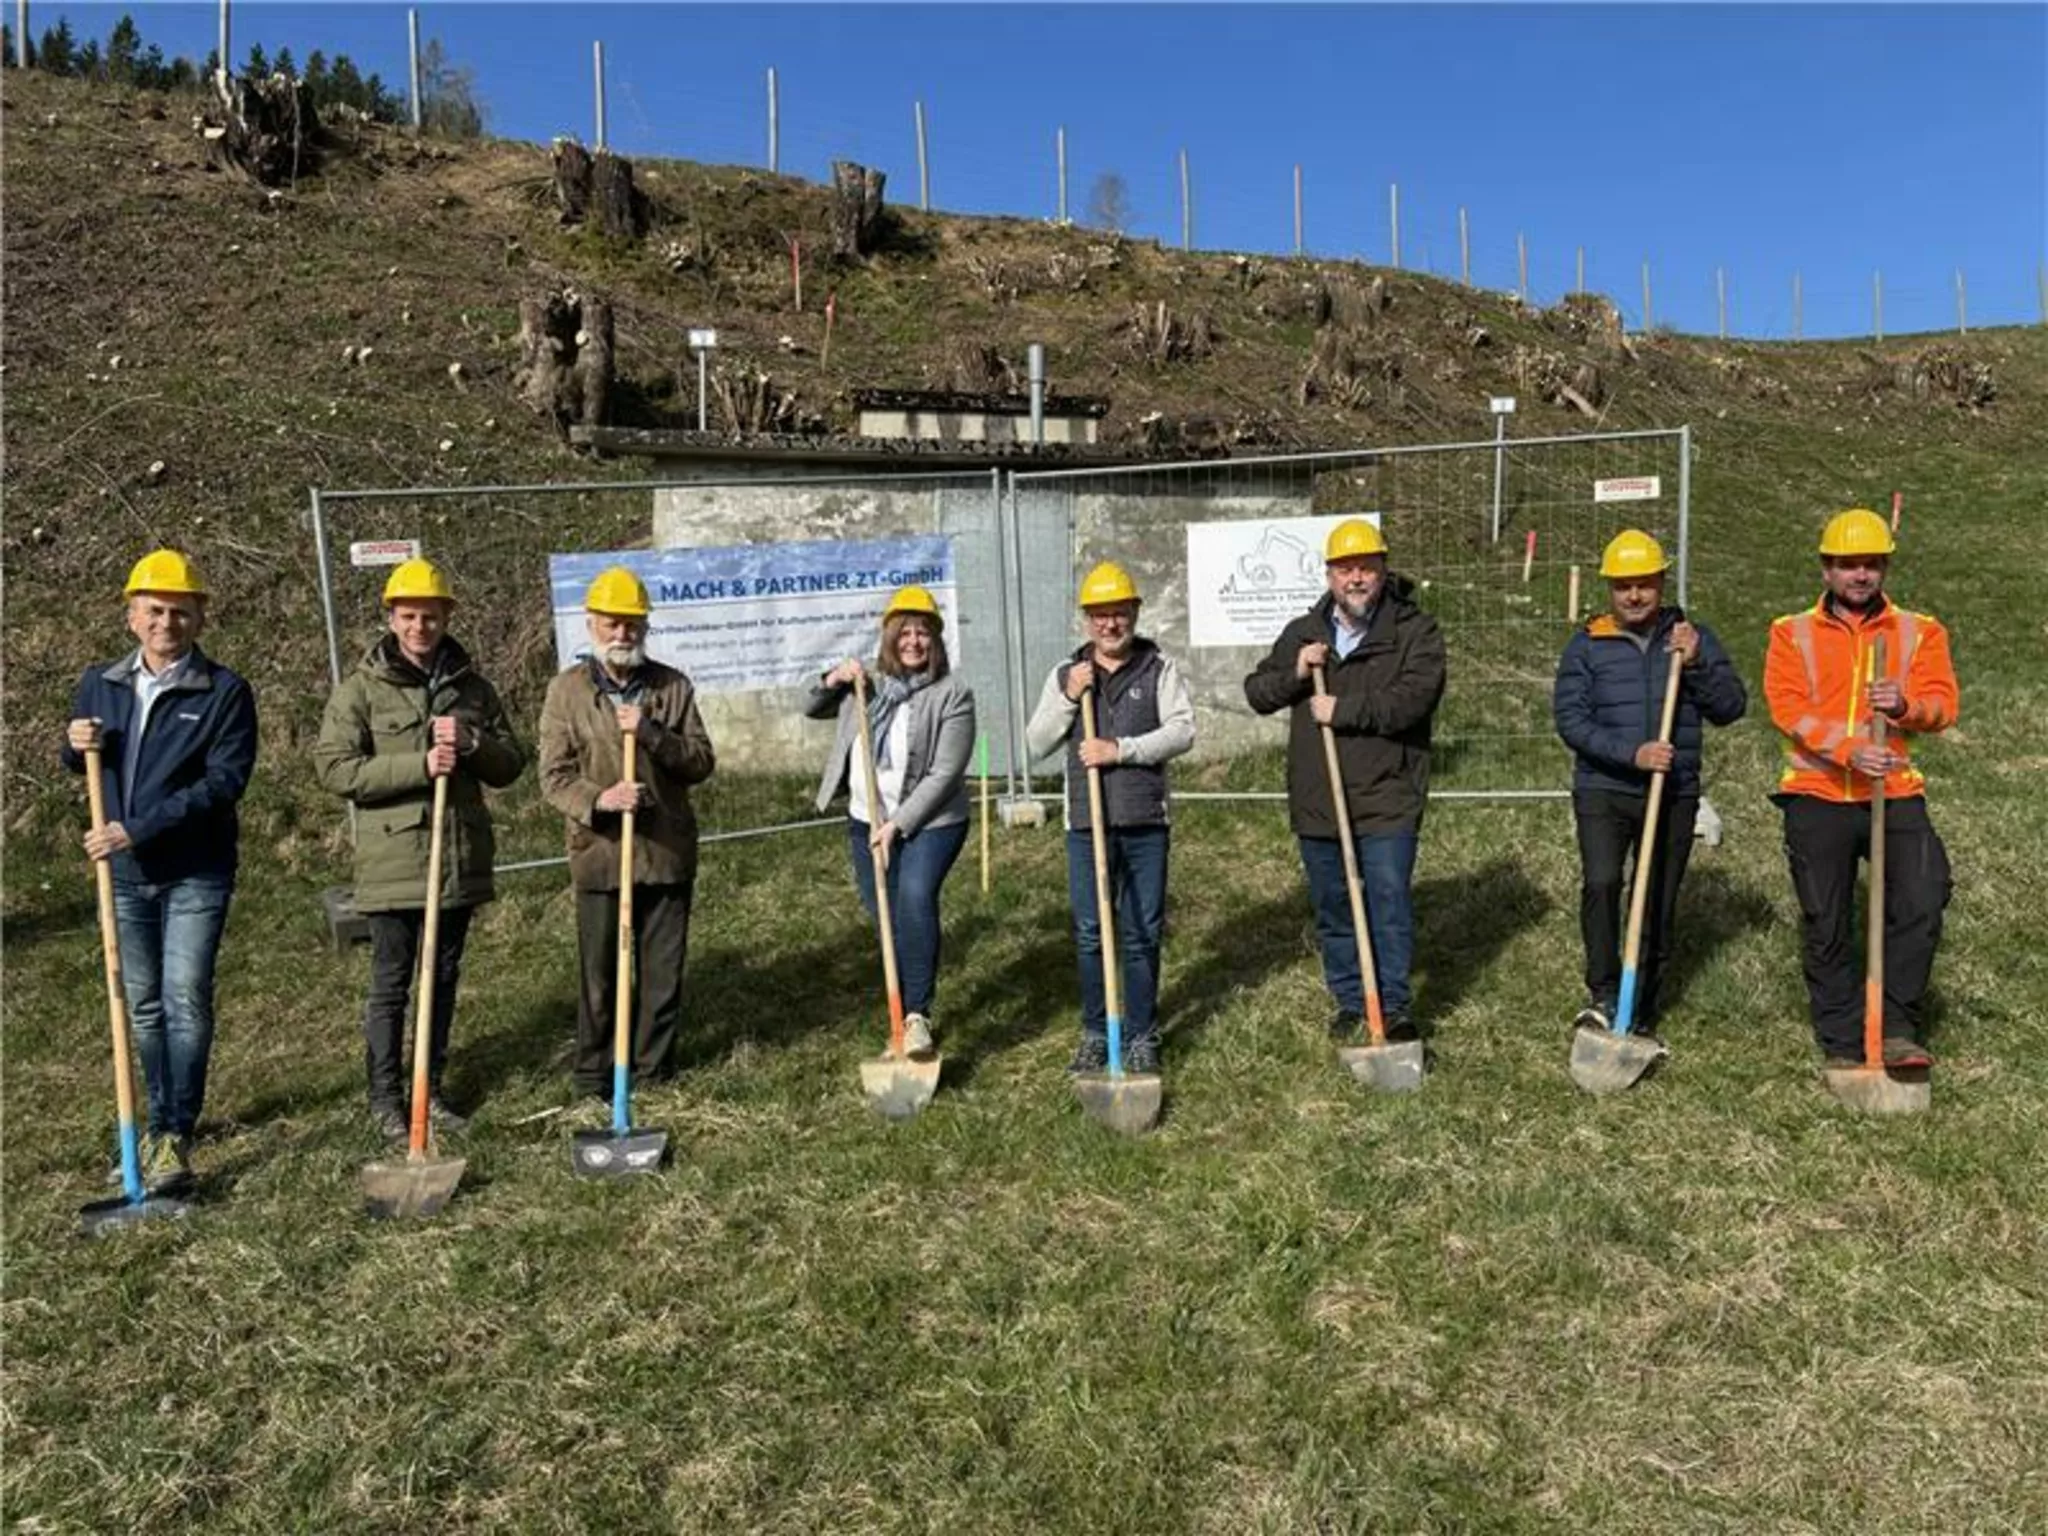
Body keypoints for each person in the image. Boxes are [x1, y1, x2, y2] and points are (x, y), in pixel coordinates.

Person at [61, 549, 258, 1190]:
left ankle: (173, 1128)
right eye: (153, 609)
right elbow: (89, 762)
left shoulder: (224, 692)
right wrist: (74, 745)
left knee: (184, 999)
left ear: (199, 618)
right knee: (142, 1006)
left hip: (195, 870)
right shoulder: (102, 683)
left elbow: (223, 784)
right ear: (131, 616)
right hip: (123, 872)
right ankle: (150, 1123)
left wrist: (136, 827)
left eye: (179, 611)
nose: (165, 622)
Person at [313, 557, 526, 1142]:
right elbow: (335, 769)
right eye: (408, 616)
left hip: (456, 860)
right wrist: (419, 765)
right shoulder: (360, 689)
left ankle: (428, 1092)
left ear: (447, 617)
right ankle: (385, 1097)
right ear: (391, 617)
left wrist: (474, 741)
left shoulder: (473, 688)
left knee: (444, 976)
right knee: (392, 980)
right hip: (393, 861)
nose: (419, 628)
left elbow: (511, 764)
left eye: (429, 617)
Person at [1765, 508, 1956, 1068]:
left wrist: (1905, 706)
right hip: (1817, 792)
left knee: (1924, 894)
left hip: (1893, 792)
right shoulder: (1791, 631)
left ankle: (1895, 1027)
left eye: (1871, 564)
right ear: (1826, 570)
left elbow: (1944, 704)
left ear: (1885, 569)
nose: (1861, 575)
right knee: (1825, 919)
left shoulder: (1919, 631)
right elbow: (1787, 707)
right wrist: (1849, 750)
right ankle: (1843, 1042)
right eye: (1848, 565)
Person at [1244, 517, 1446, 1043]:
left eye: (1365, 568)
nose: (1355, 579)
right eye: (1344, 569)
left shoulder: (1413, 630)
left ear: (1382, 570)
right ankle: (1351, 1002)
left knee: (1388, 902)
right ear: (1329, 575)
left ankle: (1394, 1007)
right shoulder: (1304, 631)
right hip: (1320, 801)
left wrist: (1345, 709)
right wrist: (1295, 670)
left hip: (1387, 797)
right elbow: (1256, 692)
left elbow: (1415, 699)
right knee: (1334, 908)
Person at [1553, 529, 1747, 1041]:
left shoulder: (1690, 638)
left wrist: (1699, 660)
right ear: (1609, 589)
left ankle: (1640, 1004)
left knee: (1657, 895)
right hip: (1603, 788)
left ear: (1662, 583)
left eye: (1644, 584)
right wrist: (1632, 755)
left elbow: (1730, 707)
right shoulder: (1587, 645)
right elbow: (1571, 721)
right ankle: (1603, 992)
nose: (1634, 596)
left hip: (1673, 793)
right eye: (1623, 586)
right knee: (1602, 883)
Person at [539, 566, 715, 1106]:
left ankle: (652, 1072)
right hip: (600, 855)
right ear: (591, 624)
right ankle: (594, 1075)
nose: (623, 635)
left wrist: (653, 735)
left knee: (661, 975)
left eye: (633, 625)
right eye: (613, 624)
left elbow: (701, 761)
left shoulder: (672, 686)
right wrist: (600, 799)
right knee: (599, 978)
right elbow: (554, 776)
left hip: (663, 853)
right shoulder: (567, 692)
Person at [1026, 562, 1195, 1075]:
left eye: (1119, 614)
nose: (1110, 625)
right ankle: (1099, 1031)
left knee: (1142, 931)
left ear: (1134, 614)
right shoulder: (1067, 673)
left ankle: (1142, 1033)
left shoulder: (1159, 668)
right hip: (1086, 825)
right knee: (1091, 933)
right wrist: (1066, 697)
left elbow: (1183, 731)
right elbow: (1035, 743)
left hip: (1145, 822)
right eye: (1100, 616)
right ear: (1087, 620)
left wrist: (1120, 750)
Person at [807, 585, 975, 1058]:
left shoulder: (953, 693)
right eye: (905, 632)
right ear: (890, 636)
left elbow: (945, 773)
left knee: (915, 898)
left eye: (923, 633)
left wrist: (897, 826)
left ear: (936, 641)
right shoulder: (870, 686)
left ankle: (918, 1016)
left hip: (932, 822)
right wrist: (834, 677)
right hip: (865, 820)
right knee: (886, 916)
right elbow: (811, 706)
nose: (914, 642)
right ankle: (898, 1019)